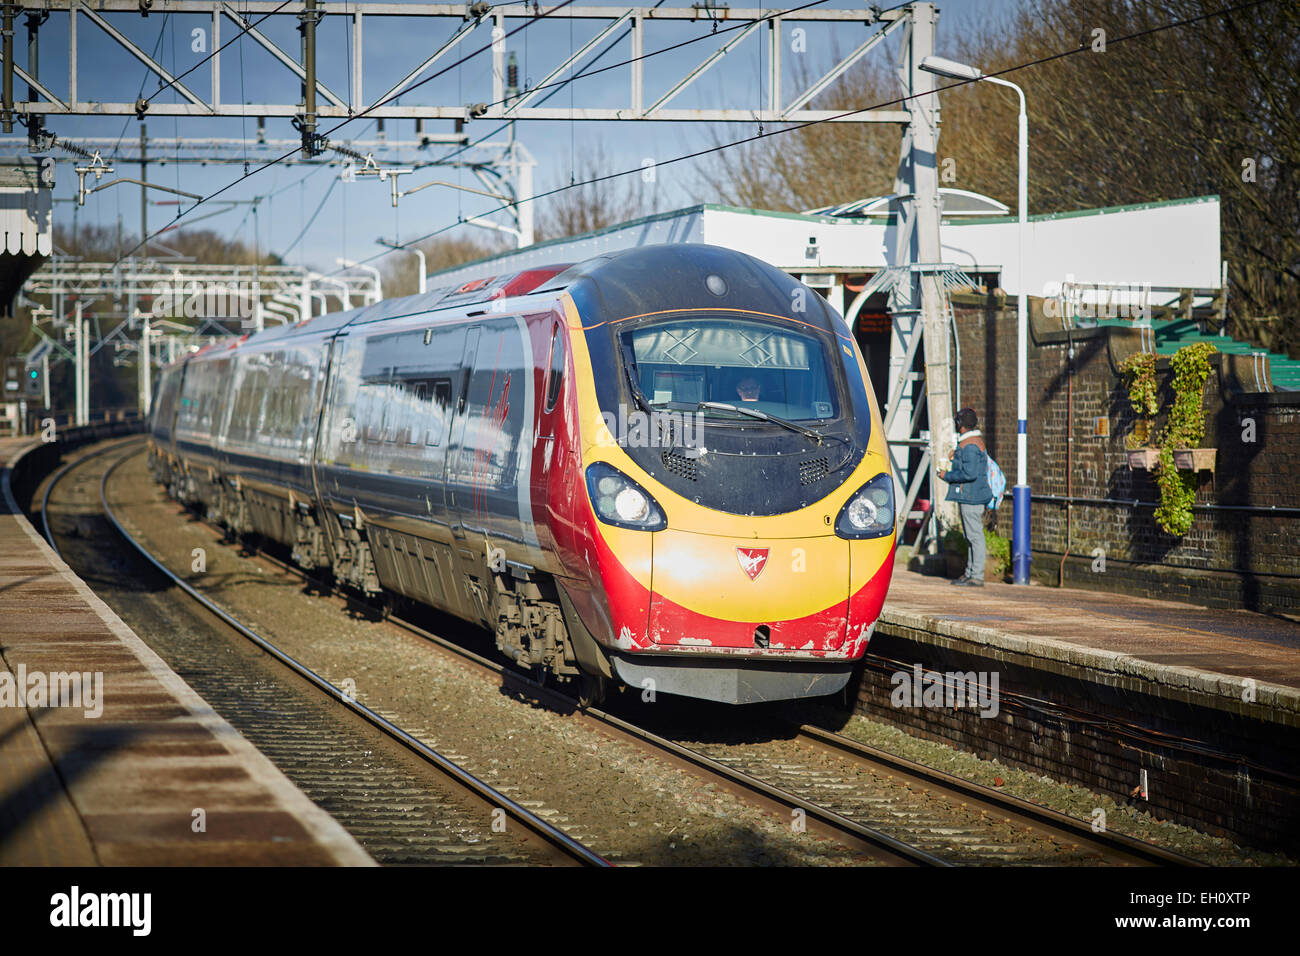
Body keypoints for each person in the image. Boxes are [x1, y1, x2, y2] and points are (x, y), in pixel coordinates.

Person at [938, 407, 992, 586]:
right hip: (970, 495)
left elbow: (969, 474)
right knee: (971, 536)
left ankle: (976, 576)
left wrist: (947, 476)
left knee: (975, 536)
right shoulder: (970, 442)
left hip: (971, 496)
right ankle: (970, 573)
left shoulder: (970, 445)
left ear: (960, 425)